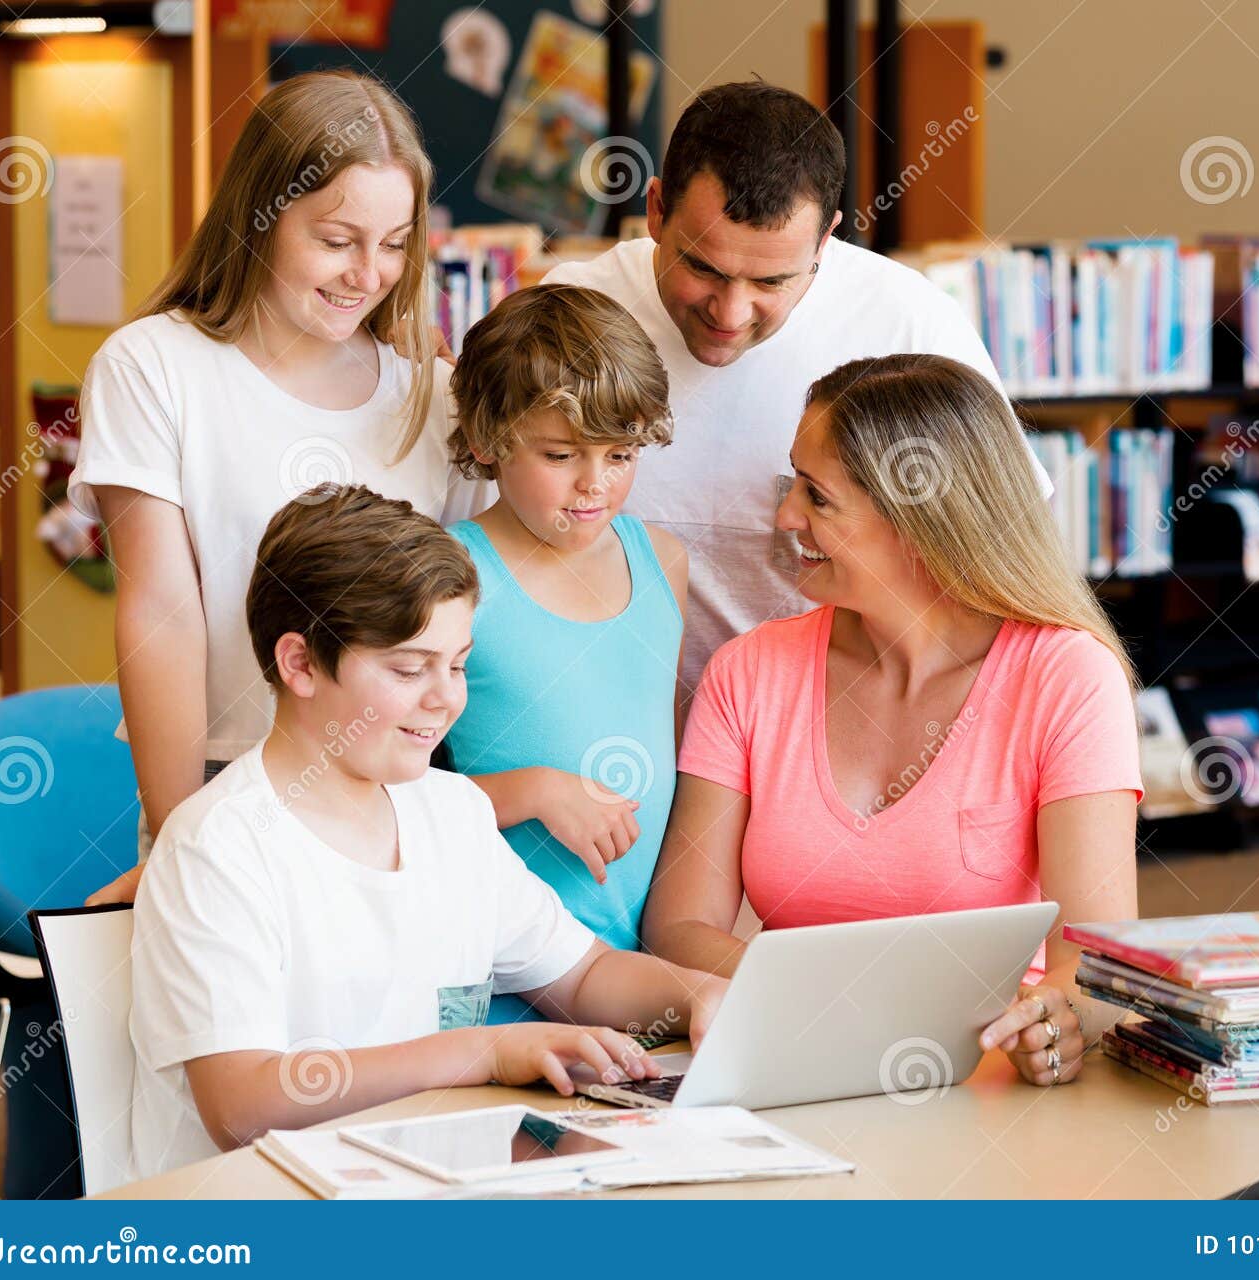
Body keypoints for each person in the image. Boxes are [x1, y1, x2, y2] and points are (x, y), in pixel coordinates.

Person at [128, 486, 725, 1180]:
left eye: (459, 663)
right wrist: (484, 1053)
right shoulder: (221, 844)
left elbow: (587, 973)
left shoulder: (450, 814)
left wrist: (696, 995)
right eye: (409, 669)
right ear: (299, 664)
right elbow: (239, 1103)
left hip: (420, 1187)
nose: (446, 698)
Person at [641, 355, 1140, 1087]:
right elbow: (677, 926)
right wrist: (839, 1004)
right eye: (793, 484)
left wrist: (1060, 1021)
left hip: (988, 1083)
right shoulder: (748, 673)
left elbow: (1093, 959)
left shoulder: (1067, 677)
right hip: (796, 1070)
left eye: (817, 497)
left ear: (918, 520)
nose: (785, 517)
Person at [69, 70, 494, 906]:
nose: (367, 273)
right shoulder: (155, 367)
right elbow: (160, 610)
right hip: (224, 783)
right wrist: (182, 837)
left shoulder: (431, 396)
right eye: (336, 239)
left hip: (395, 801)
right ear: (259, 217)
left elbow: (472, 608)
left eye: (397, 242)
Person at [545, 80, 1051, 695]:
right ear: (654, 209)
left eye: (771, 281)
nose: (730, 314)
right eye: (703, 266)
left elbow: (1005, 551)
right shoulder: (567, 315)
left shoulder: (908, 323)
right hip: (617, 726)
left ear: (827, 237)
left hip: (834, 730)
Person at [440, 284, 686, 1021]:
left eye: (621, 454)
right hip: (497, 982)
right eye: (560, 454)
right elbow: (376, 801)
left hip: (641, 977)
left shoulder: (664, 561)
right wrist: (536, 790)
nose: (595, 484)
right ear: (487, 440)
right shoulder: (449, 579)